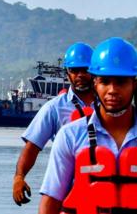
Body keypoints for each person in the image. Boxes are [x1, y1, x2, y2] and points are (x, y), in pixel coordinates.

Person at [38, 38, 137, 214]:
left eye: (121, 82)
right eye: (104, 81)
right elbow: (50, 201)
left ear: (136, 85)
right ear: (95, 84)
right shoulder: (69, 136)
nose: (112, 90)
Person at [13, 42, 97, 206]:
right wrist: (19, 177)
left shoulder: (108, 106)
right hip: (67, 195)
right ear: (67, 73)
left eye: (85, 69)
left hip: (103, 192)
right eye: (74, 70)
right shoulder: (54, 108)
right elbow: (32, 148)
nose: (80, 75)